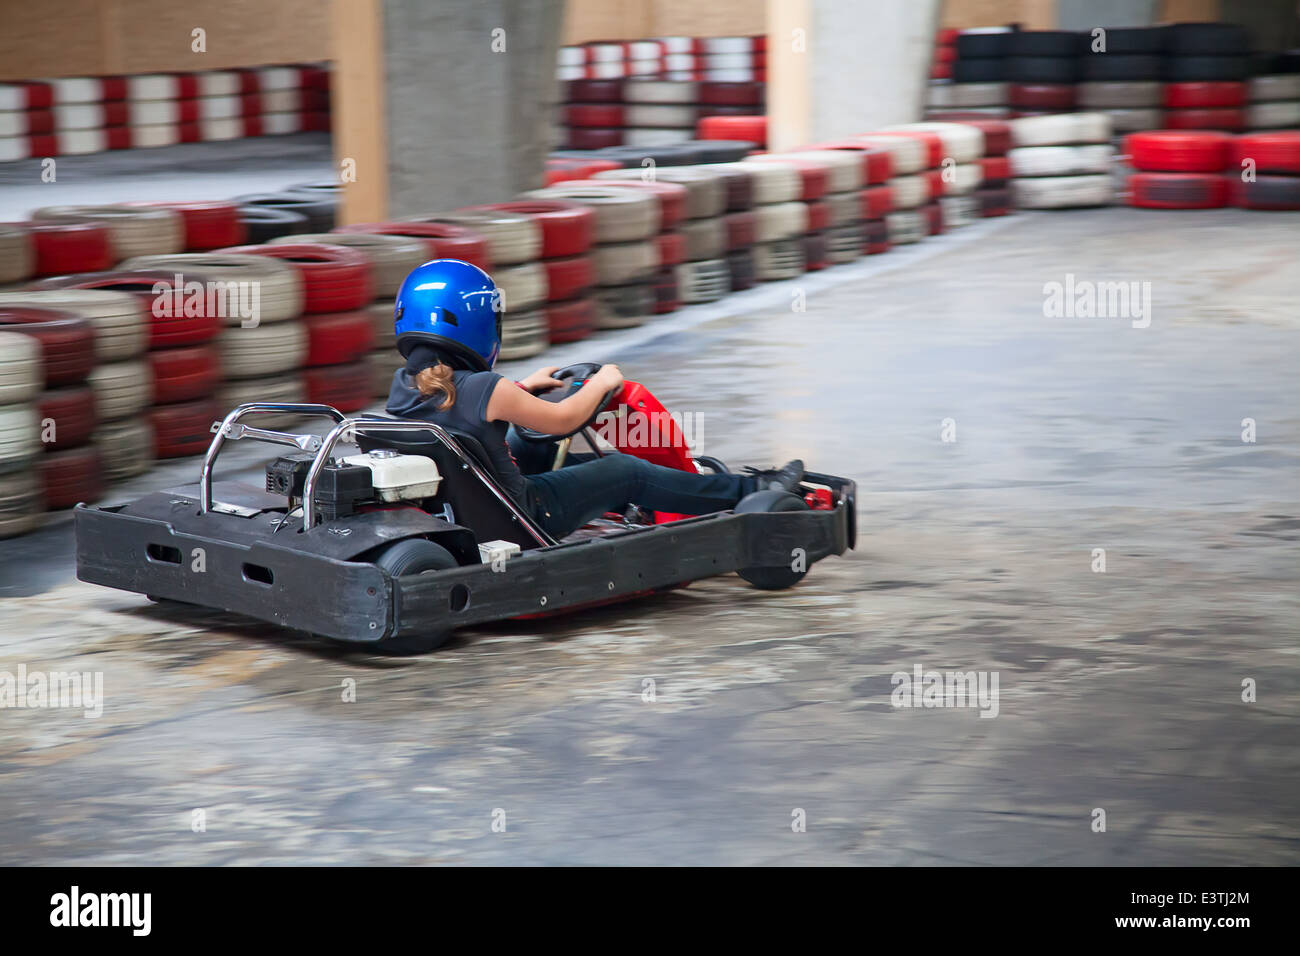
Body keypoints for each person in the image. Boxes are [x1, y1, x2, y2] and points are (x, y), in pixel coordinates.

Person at [385, 259, 803, 539]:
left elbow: (466, 413)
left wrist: (523, 390)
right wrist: (603, 382)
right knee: (625, 469)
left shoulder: (406, 386)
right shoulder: (486, 389)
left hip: (474, 512)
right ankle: (754, 487)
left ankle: (648, 499)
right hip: (525, 518)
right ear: (477, 322)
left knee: (537, 448)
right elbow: (565, 420)